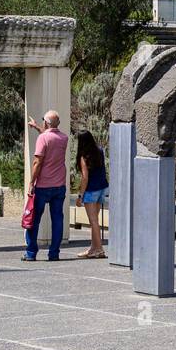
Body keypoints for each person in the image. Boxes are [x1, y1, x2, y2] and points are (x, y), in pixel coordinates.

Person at [23, 110, 68, 262]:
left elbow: (37, 162)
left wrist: (31, 182)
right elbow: (51, 137)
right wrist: (37, 127)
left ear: (46, 123)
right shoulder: (63, 138)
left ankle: (31, 253)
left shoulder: (43, 138)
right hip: (59, 185)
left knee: (34, 219)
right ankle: (54, 253)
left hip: (42, 185)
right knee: (57, 219)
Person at [74, 130, 109, 259]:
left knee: (93, 221)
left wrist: (80, 196)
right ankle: (93, 248)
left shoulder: (84, 156)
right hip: (102, 188)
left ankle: (99, 249)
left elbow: (85, 178)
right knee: (95, 220)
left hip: (91, 191)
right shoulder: (99, 150)